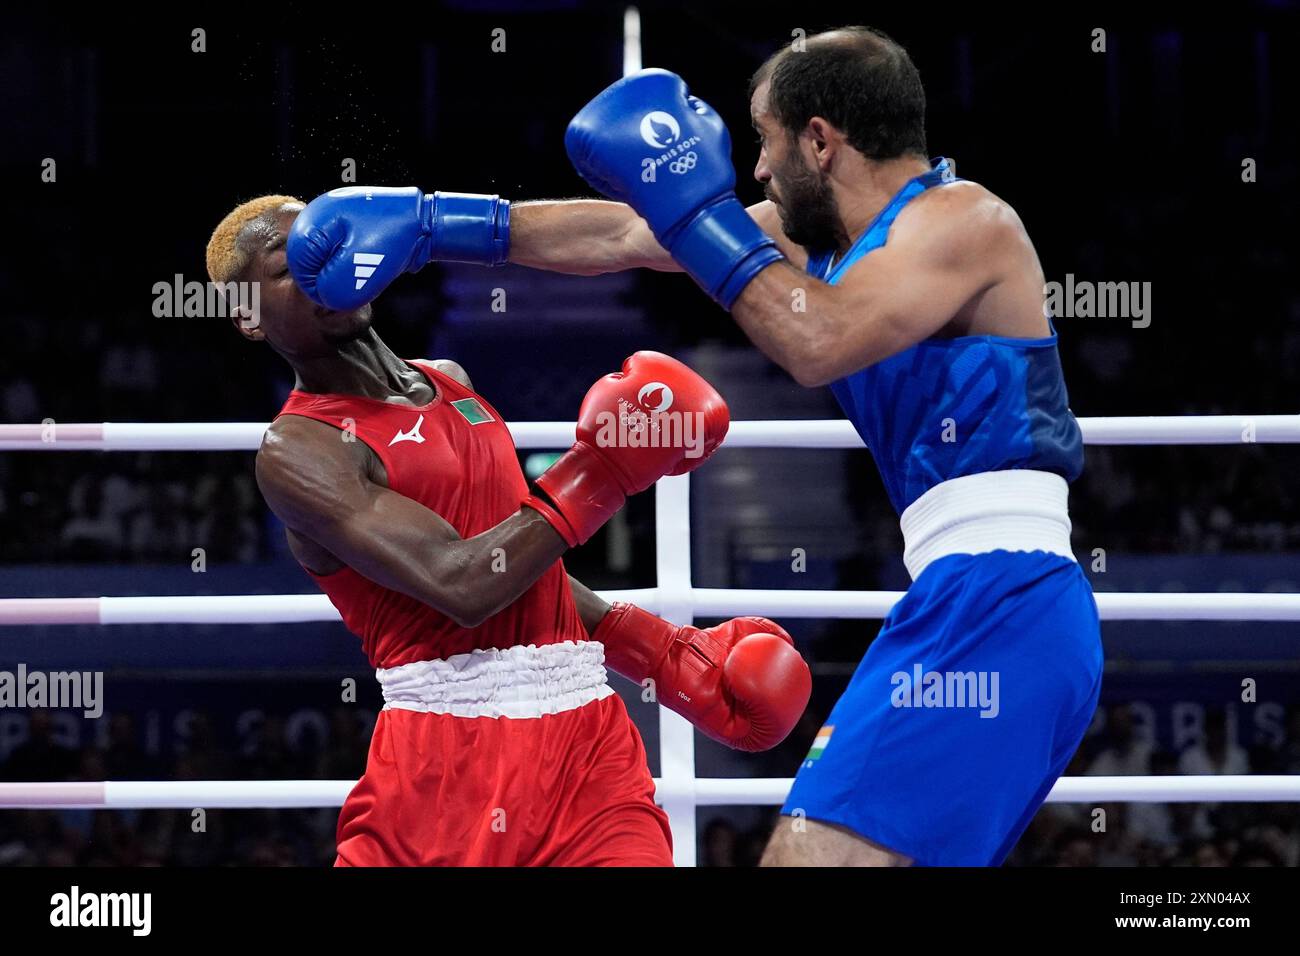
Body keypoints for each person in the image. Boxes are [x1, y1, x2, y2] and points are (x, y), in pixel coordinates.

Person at [286, 24, 1103, 867]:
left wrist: (701, 210)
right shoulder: (825, 246)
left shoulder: (960, 219)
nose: (755, 168)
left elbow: (818, 341)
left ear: (819, 141)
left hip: (1001, 596)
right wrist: (430, 224)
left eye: (766, 140)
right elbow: (623, 236)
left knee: (808, 856)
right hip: (974, 597)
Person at [204, 195, 811, 866]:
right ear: (247, 318)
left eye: (329, 244)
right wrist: (600, 472)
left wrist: (661, 654)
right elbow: (461, 582)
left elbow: (520, 564)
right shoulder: (300, 449)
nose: (325, 271)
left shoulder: (451, 382)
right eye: (291, 268)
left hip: (585, 745)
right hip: (443, 764)